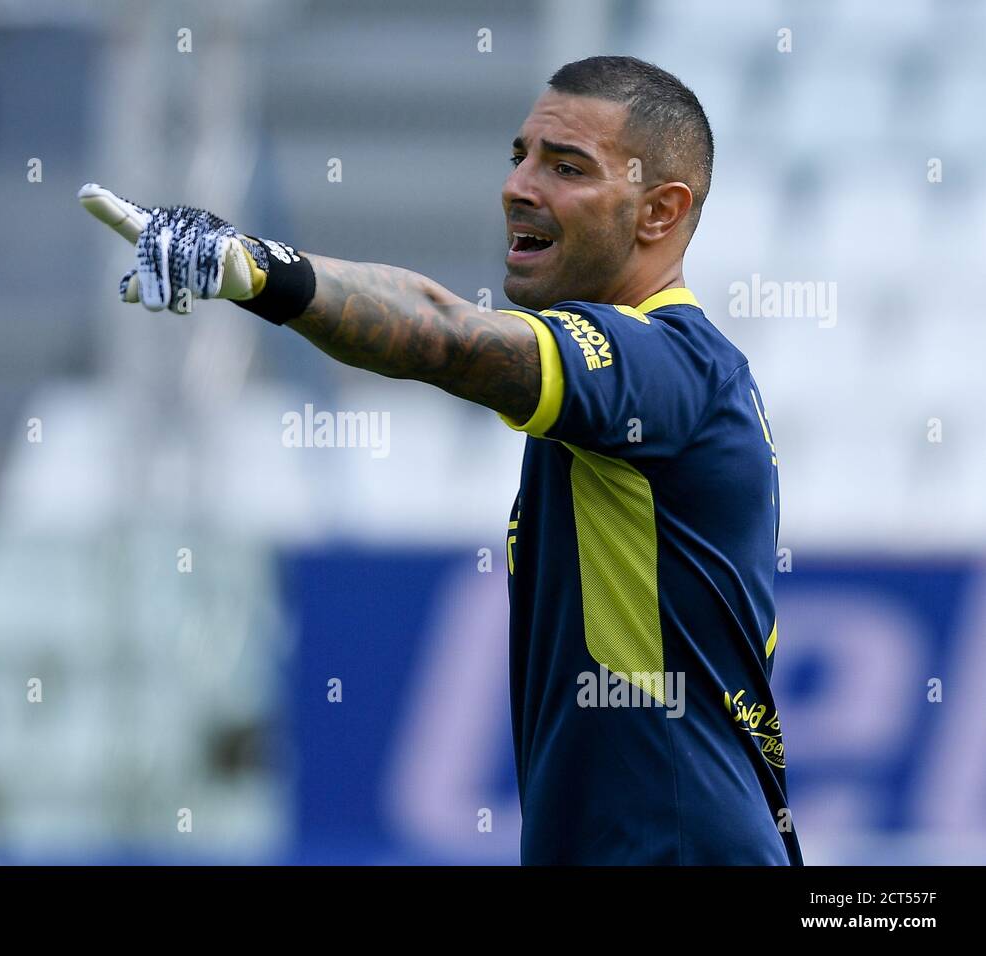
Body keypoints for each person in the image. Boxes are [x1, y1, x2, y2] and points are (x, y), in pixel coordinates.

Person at [80, 54, 803, 866]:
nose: (519, 186)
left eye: (565, 167)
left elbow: (446, 335)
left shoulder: (667, 367)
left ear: (660, 212)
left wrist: (256, 271)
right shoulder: (639, 394)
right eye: (519, 155)